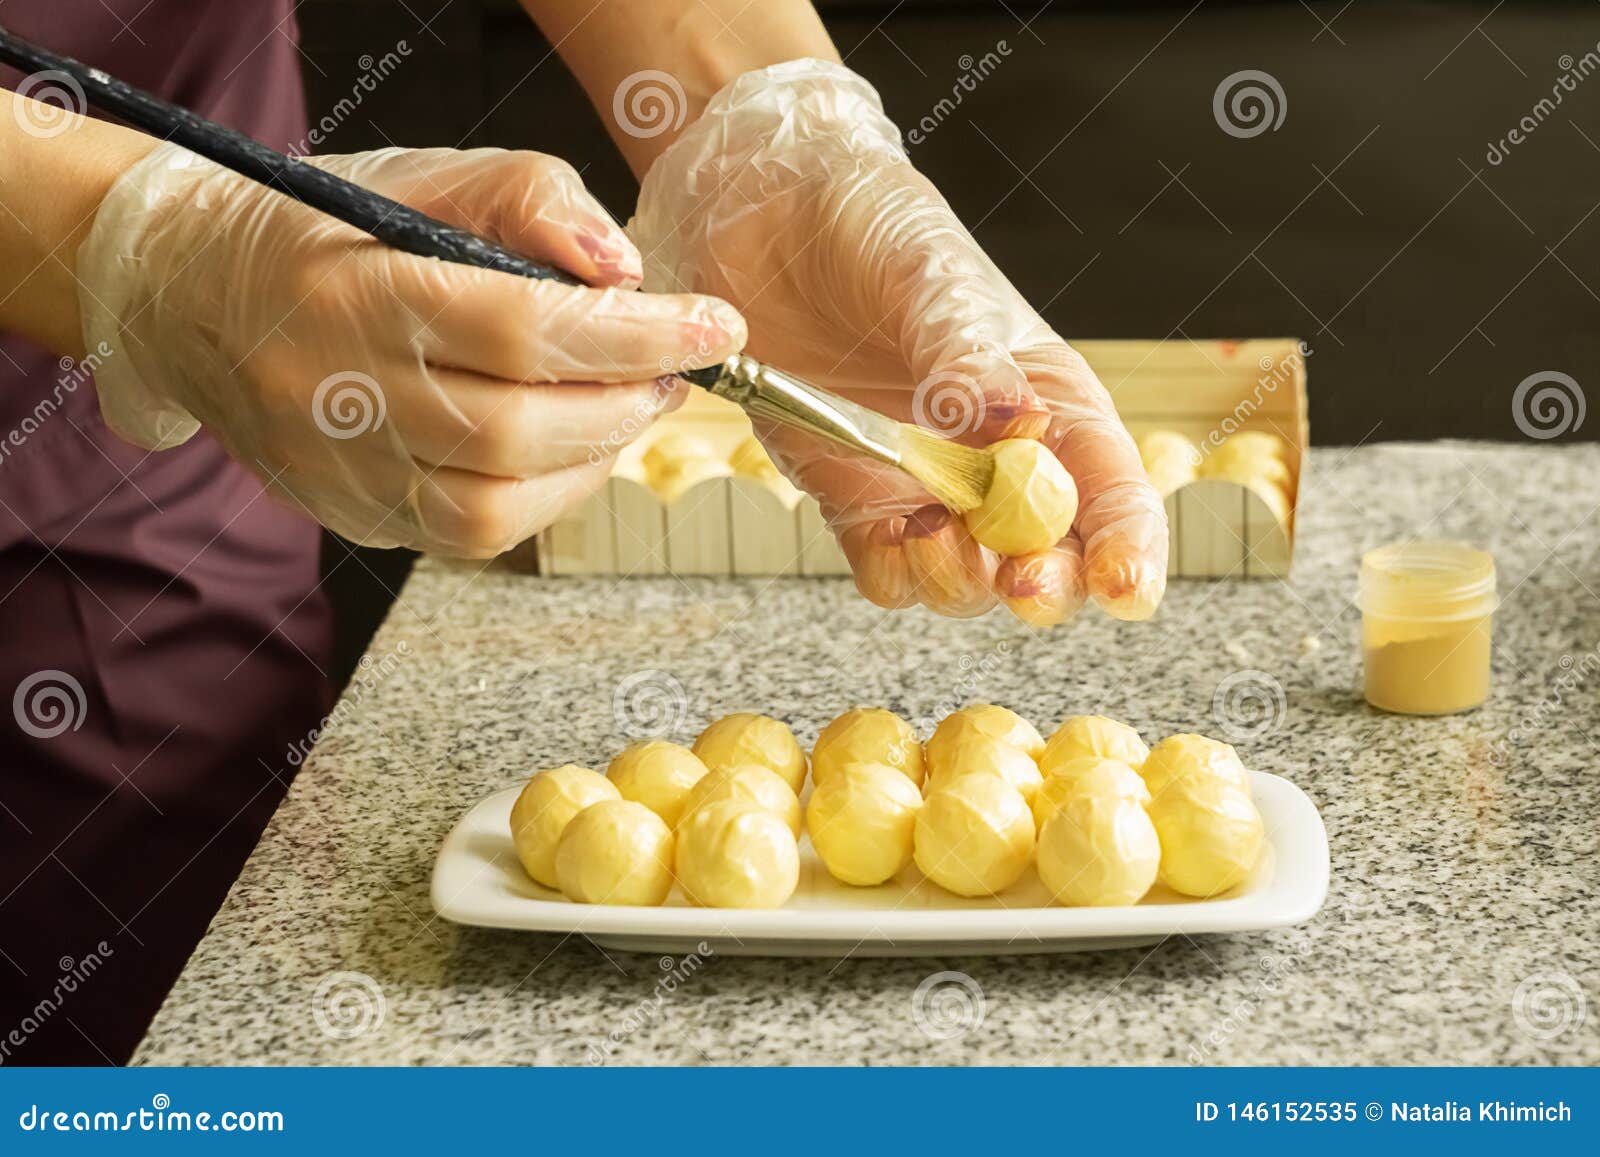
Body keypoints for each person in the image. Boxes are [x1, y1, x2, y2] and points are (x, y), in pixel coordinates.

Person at [0, 0, 1166, 1063]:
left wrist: (755, 118)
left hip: (166, 404)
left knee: (148, 982)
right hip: (194, 258)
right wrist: (136, 240)